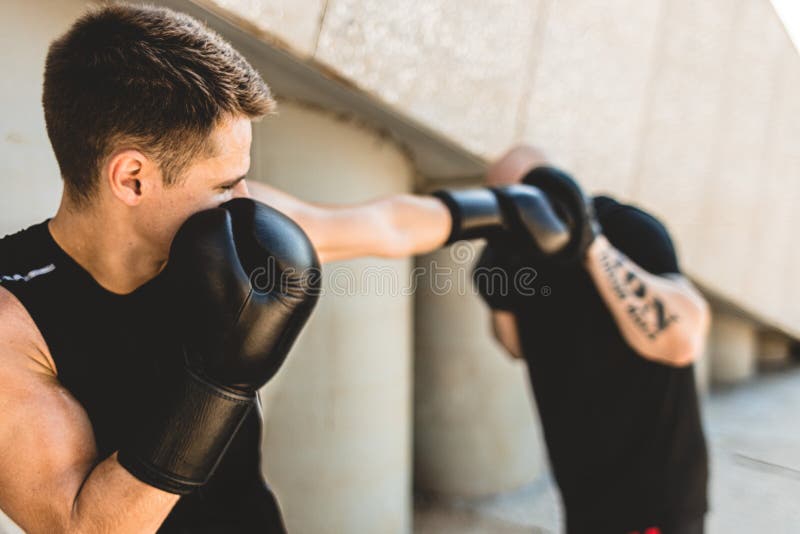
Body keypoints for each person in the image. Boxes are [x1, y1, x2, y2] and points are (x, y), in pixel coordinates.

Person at [0, 5, 569, 532]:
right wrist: (219, 384)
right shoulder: (14, 322)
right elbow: (83, 525)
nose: (246, 198)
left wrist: (505, 210)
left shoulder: (234, 231)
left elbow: (384, 225)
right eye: (224, 183)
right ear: (132, 179)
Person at [473, 146, 711, 534]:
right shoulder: (516, 258)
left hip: (653, 493)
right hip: (583, 488)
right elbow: (516, 347)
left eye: (524, 198)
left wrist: (589, 247)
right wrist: (497, 295)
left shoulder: (626, 228)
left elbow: (682, 342)